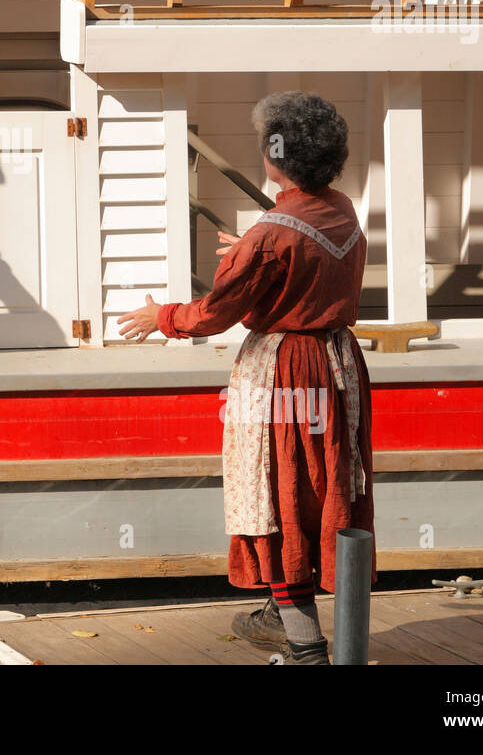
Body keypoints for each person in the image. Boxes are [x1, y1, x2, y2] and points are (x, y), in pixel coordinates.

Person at [117, 92, 373, 665]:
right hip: (337, 365)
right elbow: (304, 258)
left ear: (275, 157)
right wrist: (254, 252)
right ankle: (286, 612)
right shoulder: (342, 208)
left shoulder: (272, 234)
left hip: (284, 369)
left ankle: (304, 642)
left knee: (277, 489)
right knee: (322, 485)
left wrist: (160, 317)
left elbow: (216, 312)